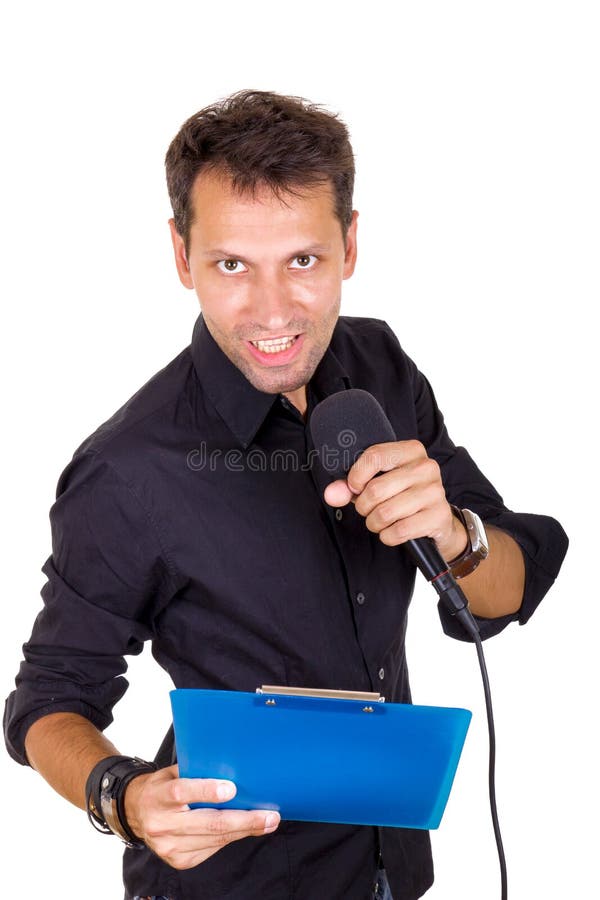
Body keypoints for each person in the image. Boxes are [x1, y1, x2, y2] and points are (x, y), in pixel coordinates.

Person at [4, 89, 568, 900]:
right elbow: (46, 702)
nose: (273, 312)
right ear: (180, 255)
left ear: (349, 244)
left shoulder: (379, 369)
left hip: (392, 867)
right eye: (231, 264)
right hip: (232, 883)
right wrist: (123, 796)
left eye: (302, 260)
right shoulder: (127, 469)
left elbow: (502, 589)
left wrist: (453, 535)